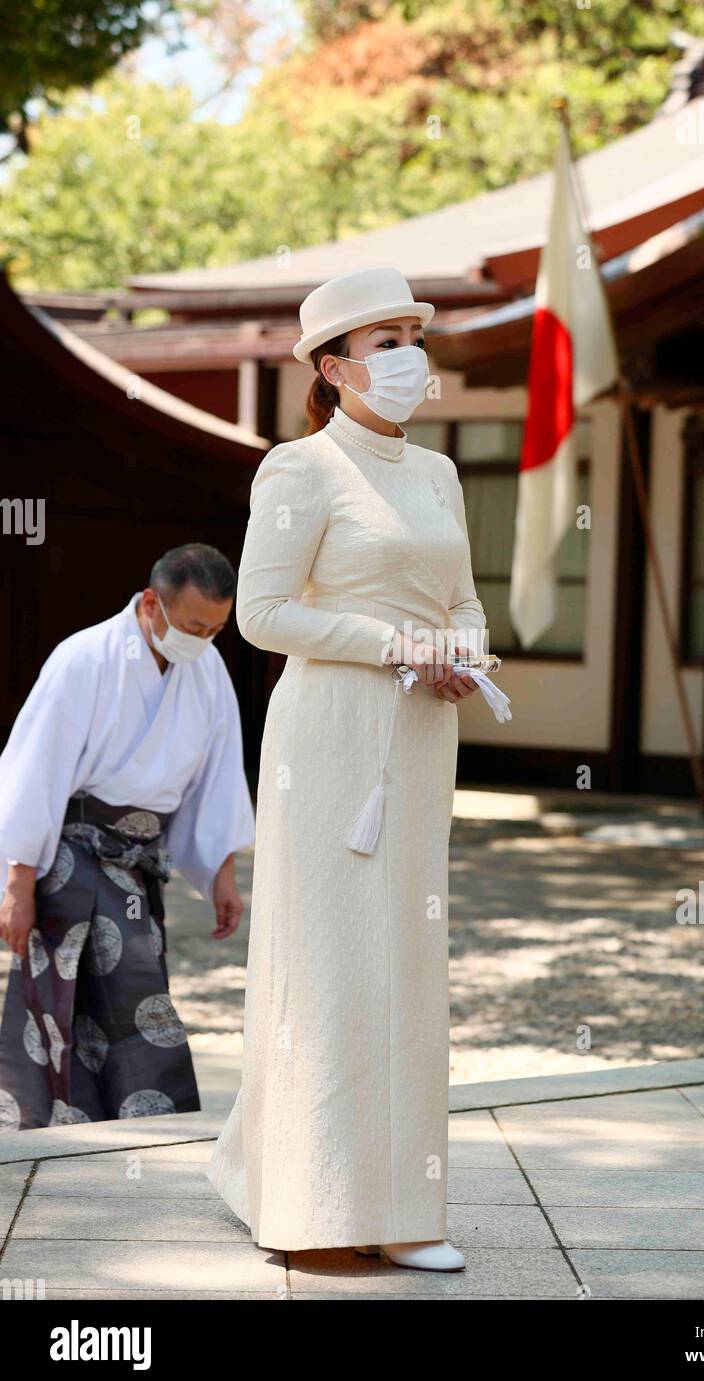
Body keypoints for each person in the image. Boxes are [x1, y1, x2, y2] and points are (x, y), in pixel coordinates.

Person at [206, 266, 489, 1273]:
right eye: (385, 340)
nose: (410, 355)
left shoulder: (441, 473)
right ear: (332, 366)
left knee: (406, 961)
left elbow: (462, 600)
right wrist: (393, 645)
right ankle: (312, 1196)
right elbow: (263, 616)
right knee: (329, 959)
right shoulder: (298, 469)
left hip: (420, 735)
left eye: (416, 334)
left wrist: (462, 651)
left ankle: (406, 1205)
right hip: (329, 740)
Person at [0, 544, 256, 1131]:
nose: (204, 639)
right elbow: (35, 768)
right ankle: (55, 1123)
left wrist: (223, 875)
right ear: (150, 603)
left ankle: (131, 1124)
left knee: (132, 990)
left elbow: (217, 775)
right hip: (69, 854)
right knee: (62, 990)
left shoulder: (206, 667)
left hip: (139, 859)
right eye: (194, 626)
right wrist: (18, 881)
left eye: (217, 629)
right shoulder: (84, 658)